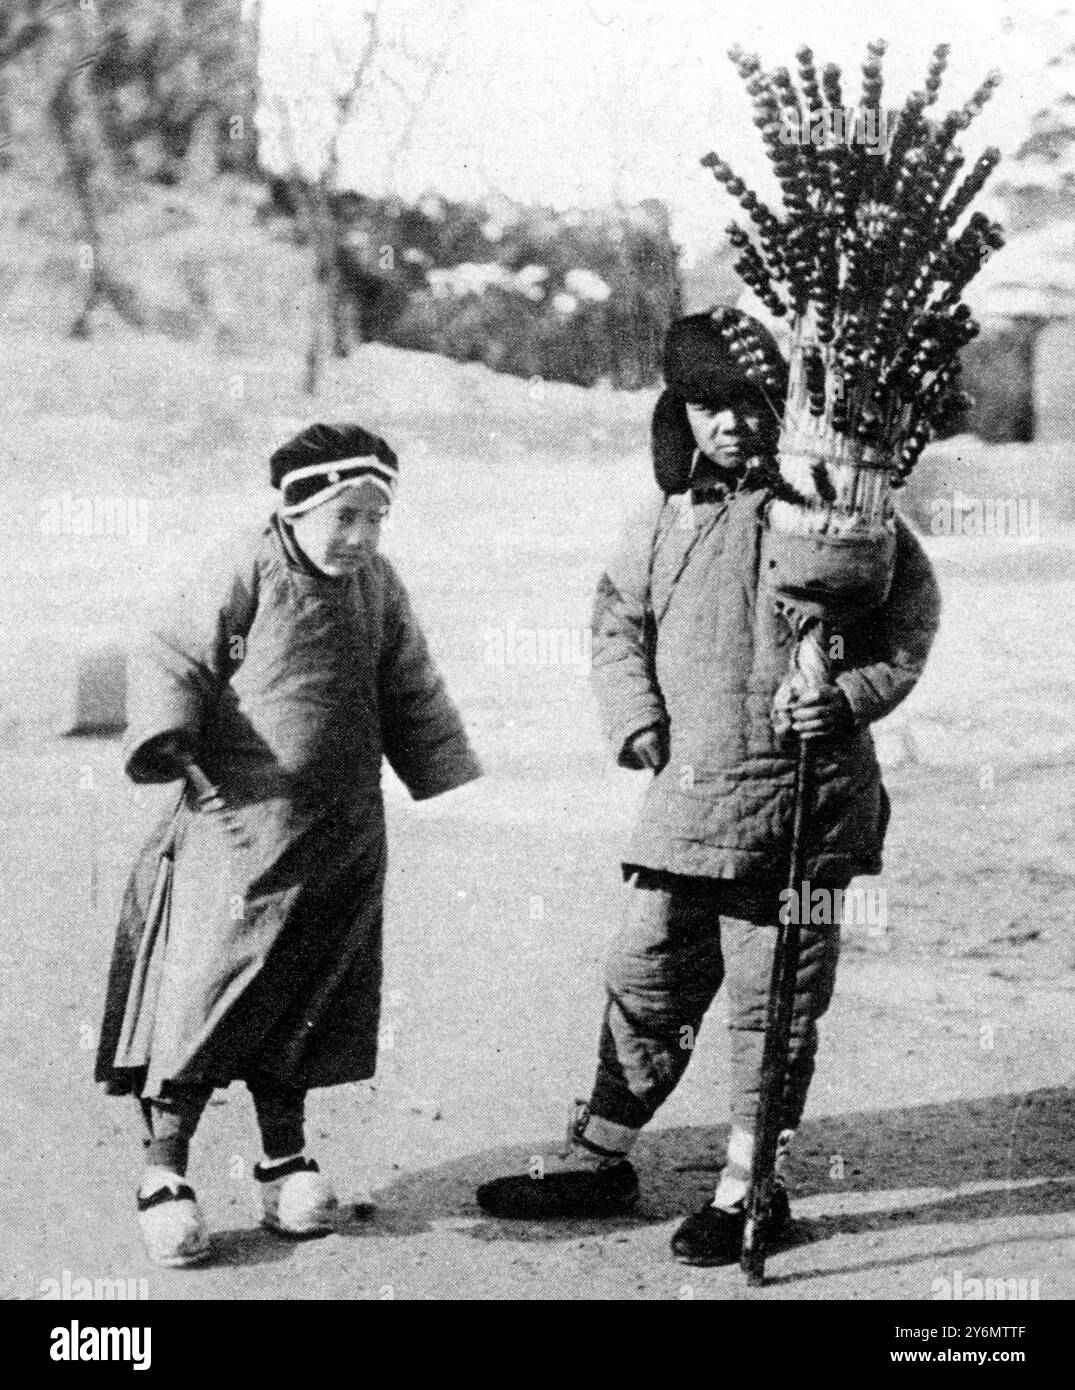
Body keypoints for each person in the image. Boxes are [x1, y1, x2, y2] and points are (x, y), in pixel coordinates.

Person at [476, 309, 941, 1266]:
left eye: (747, 402)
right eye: (704, 405)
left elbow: (908, 622)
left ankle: (747, 1184)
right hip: (687, 799)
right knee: (646, 973)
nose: (728, 424)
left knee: (774, 998)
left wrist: (848, 696)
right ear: (676, 410)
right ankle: (599, 1151)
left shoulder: (834, 507)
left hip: (804, 802)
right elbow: (615, 622)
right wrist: (635, 716)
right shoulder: (663, 515)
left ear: (784, 404)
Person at [96, 422, 481, 1267]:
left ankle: (284, 1160)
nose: (360, 537)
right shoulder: (245, 565)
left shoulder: (378, 585)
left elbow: (407, 679)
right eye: (344, 516)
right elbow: (171, 650)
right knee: (207, 992)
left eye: (376, 519)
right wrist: (172, 745)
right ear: (296, 505)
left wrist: (437, 763)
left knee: (308, 997)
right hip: (240, 826)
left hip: (341, 834)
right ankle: (165, 1173)